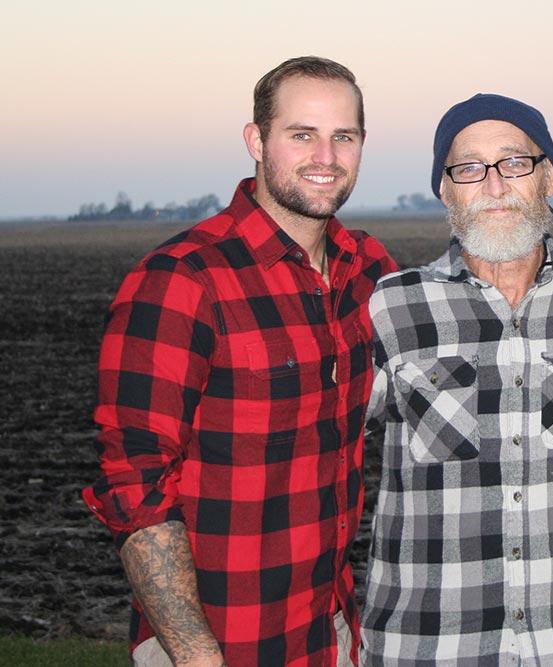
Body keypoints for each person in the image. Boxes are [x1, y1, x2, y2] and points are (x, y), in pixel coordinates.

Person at [83, 56, 396, 667]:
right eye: (301, 134)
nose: (326, 156)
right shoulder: (183, 279)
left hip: (329, 629)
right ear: (256, 141)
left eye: (344, 136)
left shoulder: (366, 270)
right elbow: (135, 481)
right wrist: (195, 653)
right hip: (218, 640)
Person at [360, 94, 553, 665]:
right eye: (468, 169)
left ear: (549, 177)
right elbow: (312, 446)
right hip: (430, 647)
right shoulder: (393, 306)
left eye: (514, 162)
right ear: (445, 191)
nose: (494, 186)